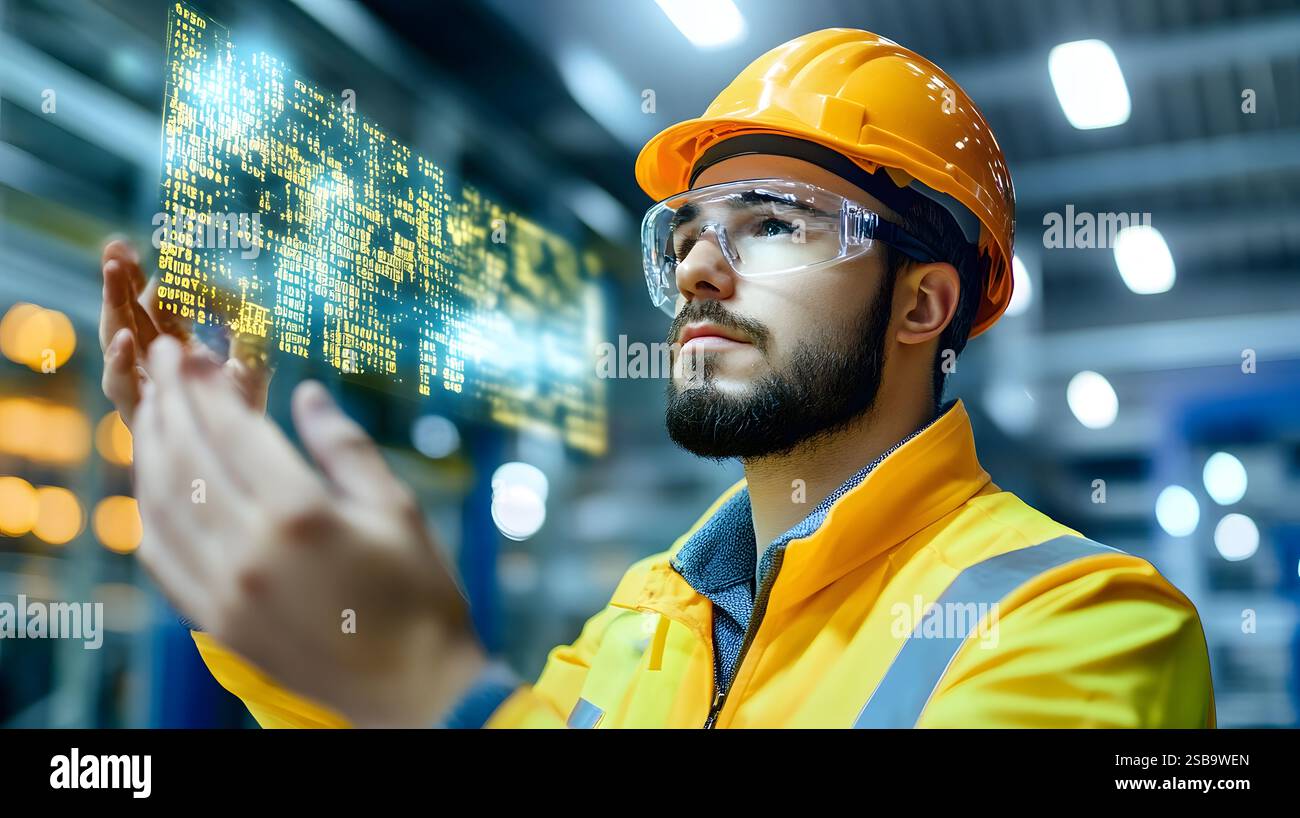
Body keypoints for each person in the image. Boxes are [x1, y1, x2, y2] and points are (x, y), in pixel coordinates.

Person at [100, 29, 1214, 728]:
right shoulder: (651, 608)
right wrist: (243, 574)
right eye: (685, 229)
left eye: (771, 223)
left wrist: (436, 690)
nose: (694, 264)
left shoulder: (1084, 624)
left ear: (922, 304)